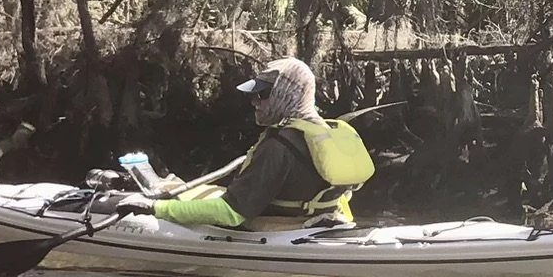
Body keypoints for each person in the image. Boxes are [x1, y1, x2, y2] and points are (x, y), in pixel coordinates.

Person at [95, 58, 374, 230]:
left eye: (263, 95)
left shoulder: (278, 147)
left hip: (278, 228)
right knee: (178, 188)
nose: (254, 102)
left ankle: (129, 199)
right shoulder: (325, 133)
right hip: (319, 222)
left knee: (164, 201)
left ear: (285, 95)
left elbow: (231, 214)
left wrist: (156, 209)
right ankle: (163, 186)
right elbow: (339, 195)